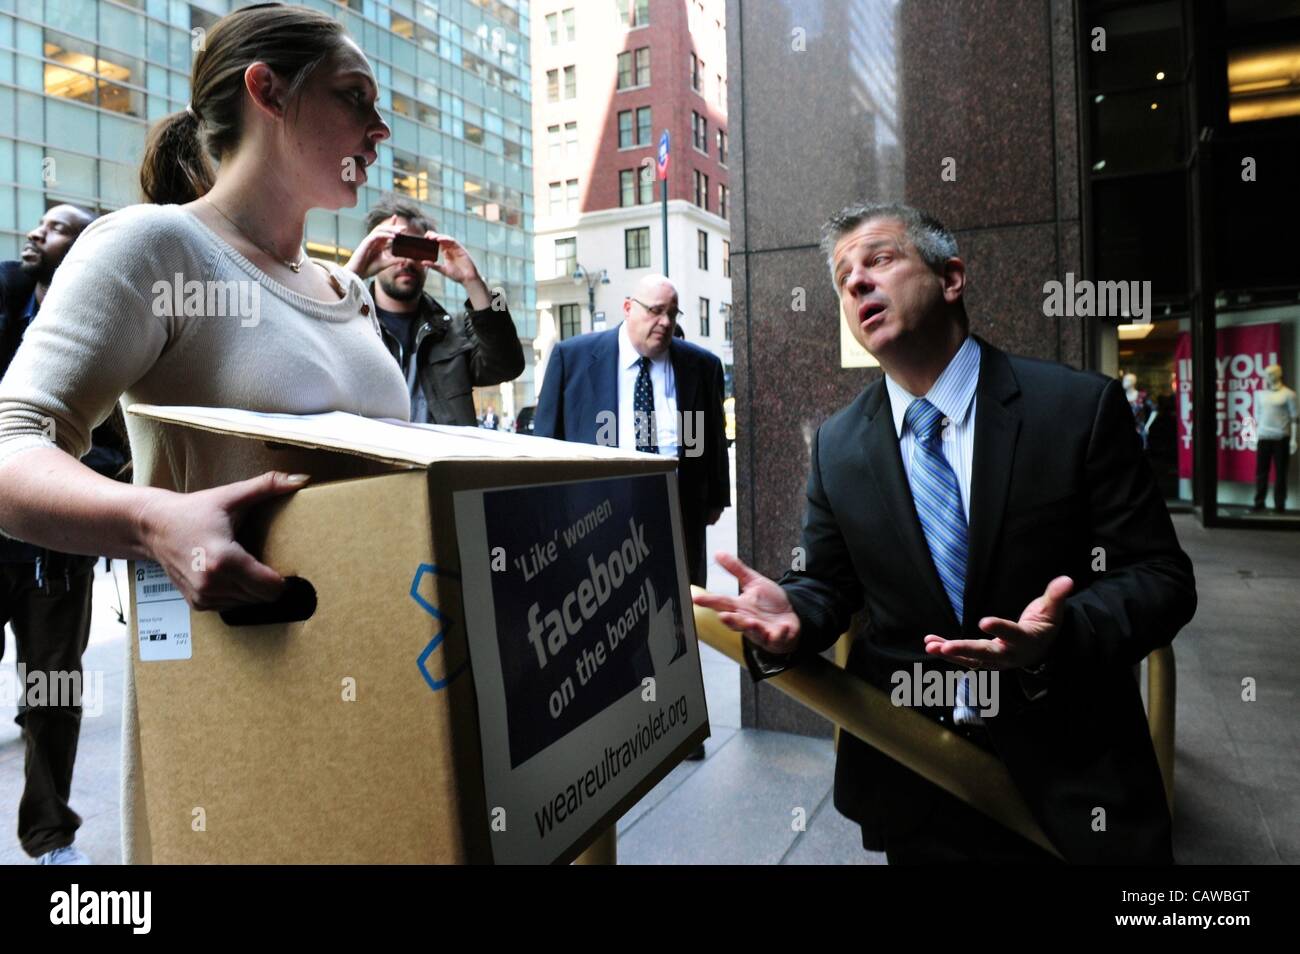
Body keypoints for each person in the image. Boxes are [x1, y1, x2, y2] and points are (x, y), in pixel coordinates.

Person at [0, 3, 409, 864]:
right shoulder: (154, 248)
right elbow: (12, 442)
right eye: (354, 97)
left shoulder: (349, 292)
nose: (379, 130)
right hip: (237, 724)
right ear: (269, 91)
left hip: (391, 697)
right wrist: (152, 522)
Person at [695, 203, 1196, 864]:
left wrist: (1057, 638)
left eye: (879, 260)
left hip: (1073, 775)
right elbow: (829, 583)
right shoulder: (840, 445)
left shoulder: (1076, 410)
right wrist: (794, 611)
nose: (856, 283)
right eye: (843, 276)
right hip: (917, 775)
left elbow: (1161, 580)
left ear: (951, 277)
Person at [0, 204, 131, 864]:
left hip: (53, 550)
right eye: (39, 223)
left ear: (82, 248)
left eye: (56, 227)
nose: (35, 232)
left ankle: (50, 837)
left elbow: (124, 450)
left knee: (53, 691)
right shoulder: (4, 300)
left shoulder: (103, 330)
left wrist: (57, 469)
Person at [533, 274, 730, 590]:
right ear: (628, 308)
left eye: (672, 313)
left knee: (675, 619)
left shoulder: (700, 366)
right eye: (655, 310)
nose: (665, 322)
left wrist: (716, 498)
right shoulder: (573, 359)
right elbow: (544, 446)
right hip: (593, 528)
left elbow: (710, 439)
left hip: (677, 524)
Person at [344, 196, 523, 425]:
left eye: (418, 249)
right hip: (370, 460)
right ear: (370, 250)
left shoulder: (455, 332)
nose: (407, 260)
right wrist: (351, 275)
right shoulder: (349, 324)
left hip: (445, 460)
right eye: (395, 247)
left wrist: (474, 282)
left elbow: (509, 365)